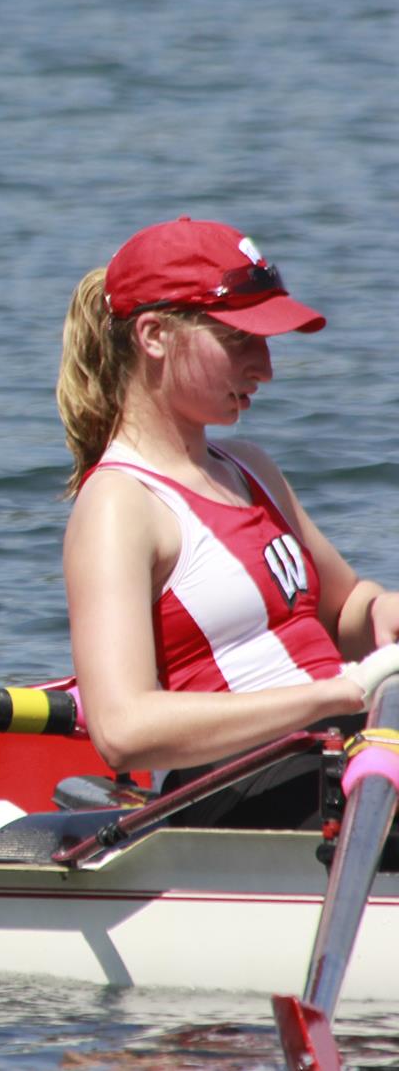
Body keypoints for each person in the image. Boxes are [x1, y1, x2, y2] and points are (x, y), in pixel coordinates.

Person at [57, 216, 399, 827]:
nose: (265, 368)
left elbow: (346, 612)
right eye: (241, 339)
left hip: (339, 751)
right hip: (239, 785)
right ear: (154, 335)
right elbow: (122, 729)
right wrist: (338, 694)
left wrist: (381, 615)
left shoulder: (250, 468)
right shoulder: (118, 507)